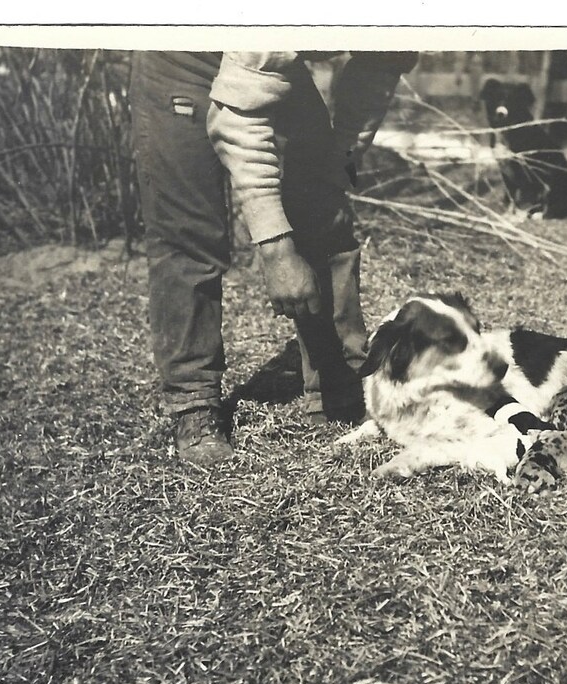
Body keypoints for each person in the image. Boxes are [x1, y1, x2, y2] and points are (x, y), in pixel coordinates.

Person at [130, 50, 417, 465]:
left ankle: (339, 384)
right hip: (184, 51)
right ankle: (194, 403)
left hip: (267, 61)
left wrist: (342, 156)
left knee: (323, 204)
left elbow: (379, 67)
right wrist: (277, 248)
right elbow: (238, 120)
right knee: (189, 230)